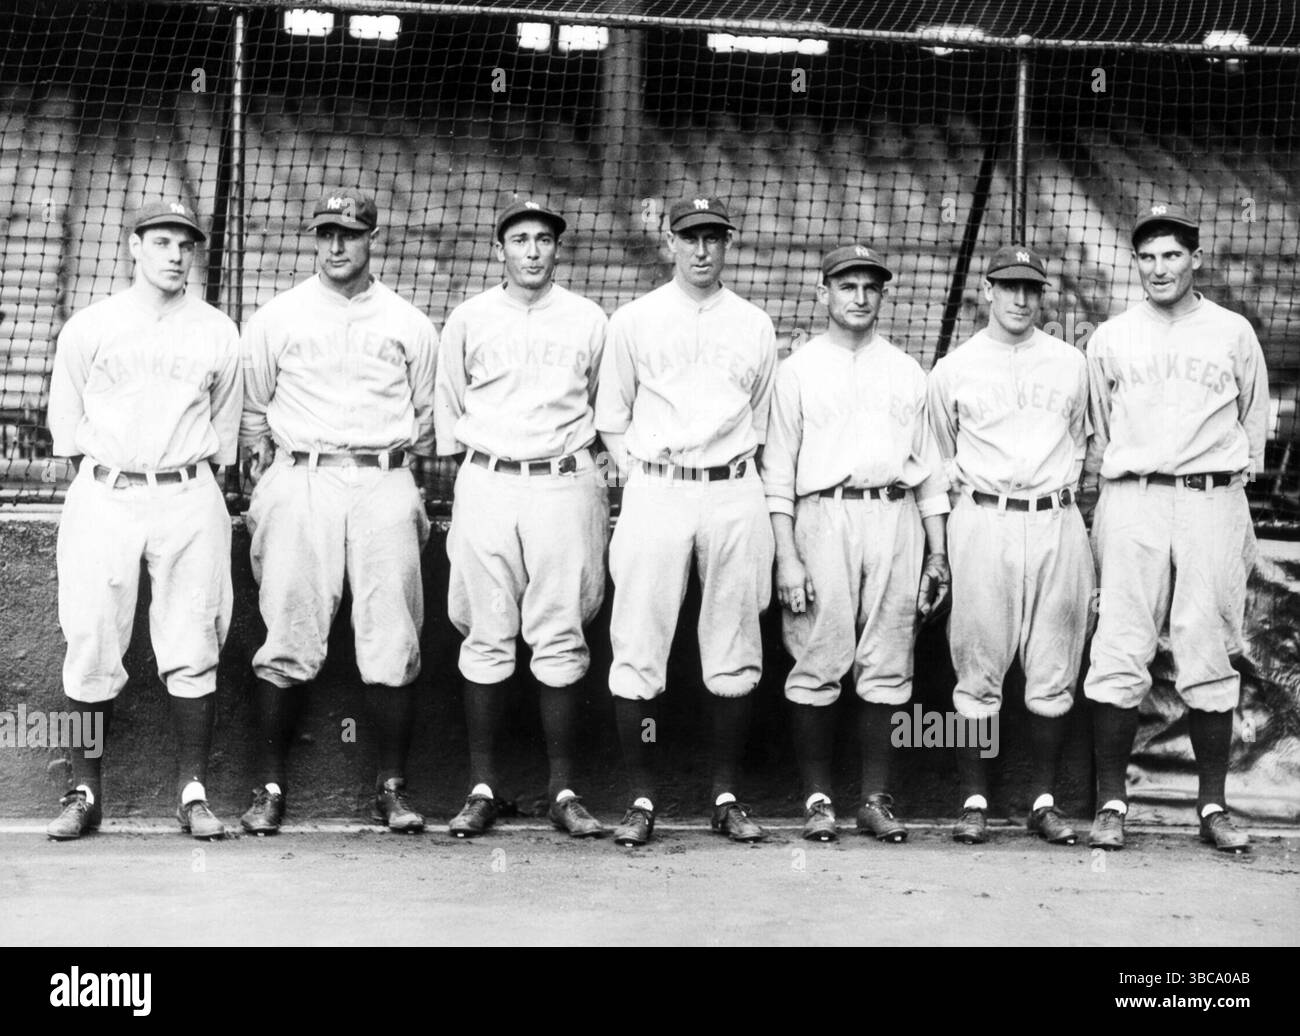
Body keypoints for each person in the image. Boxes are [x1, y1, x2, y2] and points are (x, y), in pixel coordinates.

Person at [239, 189, 438, 835]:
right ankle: (270, 788)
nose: (335, 245)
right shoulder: (278, 316)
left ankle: (392, 789)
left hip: (383, 476)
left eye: (349, 234)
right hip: (304, 474)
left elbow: (428, 416)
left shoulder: (408, 321)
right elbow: (253, 408)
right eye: (325, 233)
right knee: (288, 632)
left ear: (371, 238)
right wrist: (268, 468)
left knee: (393, 637)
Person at [45, 199, 241, 841]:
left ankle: (192, 793)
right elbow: (67, 427)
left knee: (194, 640)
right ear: (134, 246)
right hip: (106, 491)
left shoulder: (218, 331)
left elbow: (224, 433)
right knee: (91, 639)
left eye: (185, 244)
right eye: (161, 242)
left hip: (188, 490)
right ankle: (84, 792)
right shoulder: (90, 326)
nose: (175, 255)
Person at [1082, 204, 1268, 853]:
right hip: (1132, 497)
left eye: (1171, 255)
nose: (1159, 268)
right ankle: (1111, 804)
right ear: (1136, 262)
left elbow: (1253, 423)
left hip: (1210, 498)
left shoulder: (1233, 331)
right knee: (1119, 646)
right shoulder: (1111, 337)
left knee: (1207, 647)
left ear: (1195, 259)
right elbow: (1099, 430)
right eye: (1147, 257)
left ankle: (1213, 807)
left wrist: (1223, 485)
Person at [595, 196, 776, 846]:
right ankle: (641, 799)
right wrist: (642, 473)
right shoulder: (634, 319)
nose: (702, 250)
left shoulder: (754, 324)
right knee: (640, 645)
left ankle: (725, 798)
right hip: (659, 486)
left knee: (734, 646)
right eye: (690, 237)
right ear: (670, 242)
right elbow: (612, 417)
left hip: (732, 488)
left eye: (713, 237)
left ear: (727, 244)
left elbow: (761, 421)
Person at [763, 244, 950, 843]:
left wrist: (937, 552)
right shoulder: (796, 370)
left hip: (894, 515)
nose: (860, 297)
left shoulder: (907, 370)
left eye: (871, 286)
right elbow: (778, 473)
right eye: (847, 285)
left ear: (883, 295)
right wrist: (787, 555)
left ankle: (875, 798)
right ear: (824, 293)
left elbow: (929, 473)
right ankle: (818, 799)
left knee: (889, 661)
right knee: (816, 656)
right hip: (823, 514)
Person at [435, 200, 609, 838]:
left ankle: (563, 790)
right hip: (488, 478)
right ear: (500, 249)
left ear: (557, 248)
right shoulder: (469, 317)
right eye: (519, 239)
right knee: (486, 632)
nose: (532, 250)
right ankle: (482, 789)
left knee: (561, 632)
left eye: (543, 239)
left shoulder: (589, 319)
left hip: (564, 480)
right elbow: (449, 404)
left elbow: (604, 406)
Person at [928, 244, 1093, 846]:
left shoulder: (1071, 363)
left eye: (1031, 288)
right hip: (984, 517)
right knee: (978, 665)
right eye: (1009, 287)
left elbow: (1083, 444)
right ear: (988, 291)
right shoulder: (953, 368)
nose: (1020, 299)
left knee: (1054, 667)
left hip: (1056, 517)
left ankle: (1043, 802)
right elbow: (940, 456)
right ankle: (974, 801)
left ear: (1041, 295)